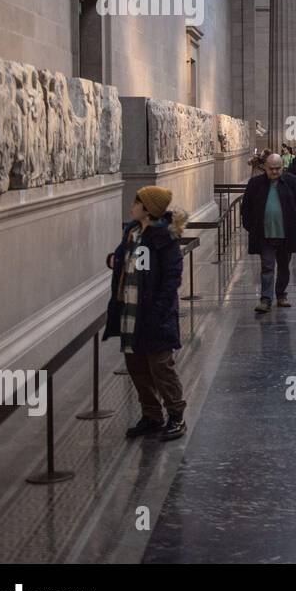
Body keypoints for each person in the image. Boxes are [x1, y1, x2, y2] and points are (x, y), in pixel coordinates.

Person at [104, 186, 188, 441]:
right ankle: (151, 414)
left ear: (148, 208)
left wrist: (160, 310)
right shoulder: (132, 231)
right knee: (136, 365)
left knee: (161, 366)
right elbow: (124, 258)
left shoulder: (163, 237)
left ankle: (176, 415)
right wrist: (115, 260)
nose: (132, 206)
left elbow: (171, 277)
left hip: (154, 313)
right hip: (130, 308)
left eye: (136, 202)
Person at [241, 152, 296, 313]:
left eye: (278, 169)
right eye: (271, 169)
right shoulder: (255, 184)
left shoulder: (293, 182)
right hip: (264, 234)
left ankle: (281, 295)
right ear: (265, 168)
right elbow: (247, 208)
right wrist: (251, 226)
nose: (274, 172)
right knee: (267, 266)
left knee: (284, 266)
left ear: (283, 167)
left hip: (286, 234)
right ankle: (265, 298)